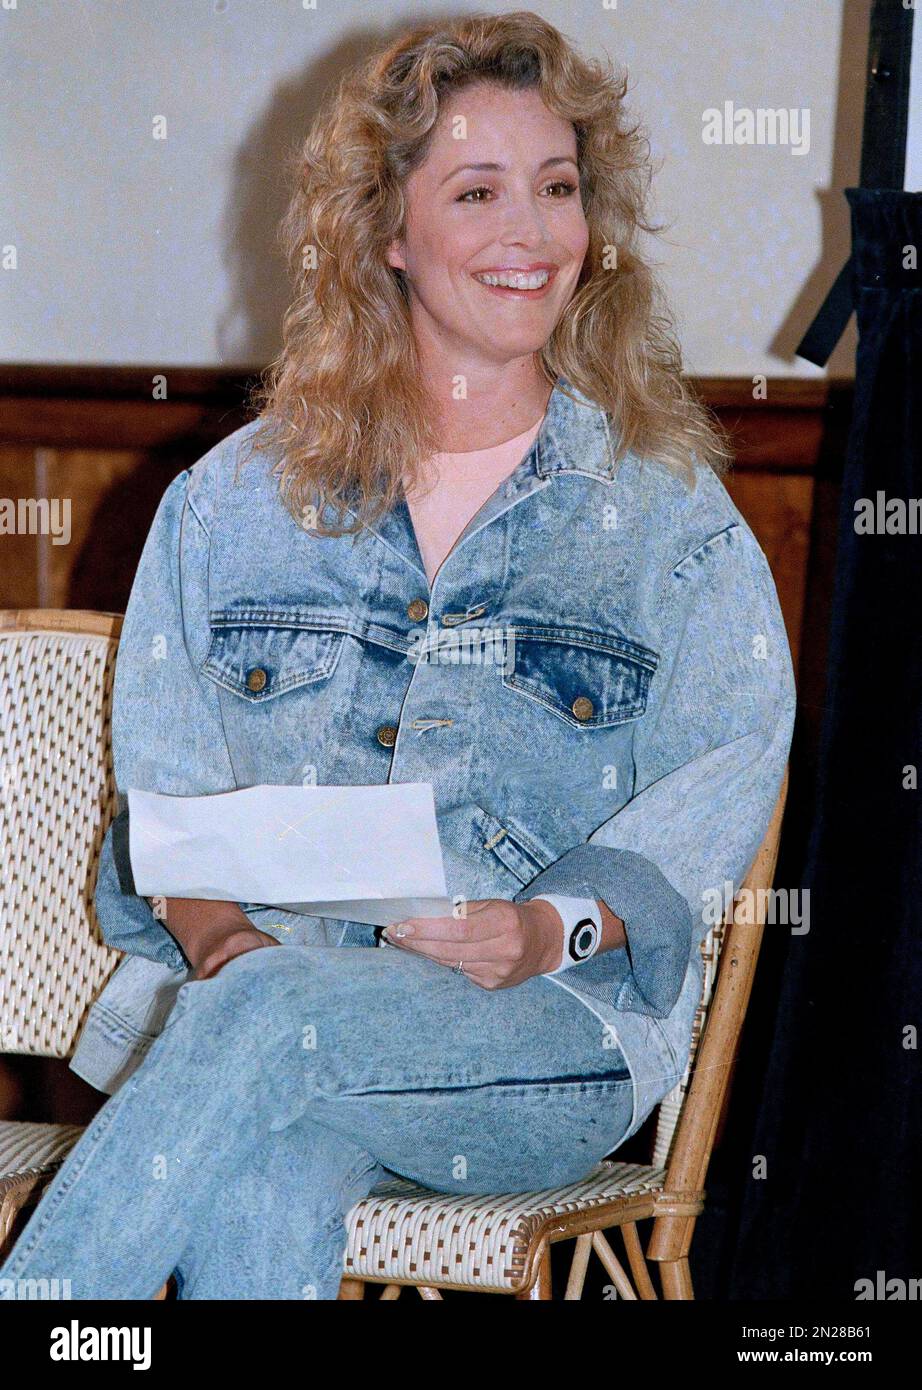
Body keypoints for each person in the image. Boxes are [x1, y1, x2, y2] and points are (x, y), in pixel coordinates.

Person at [0, 11, 795, 1300]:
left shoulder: (667, 520)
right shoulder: (229, 506)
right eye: (477, 192)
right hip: (265, 1012)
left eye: (558, 189)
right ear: (387, 233)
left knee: (269, 1028)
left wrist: (549, 925)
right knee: (270, 1155)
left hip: (543, 1047)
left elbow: (717, 798)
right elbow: (171, 811)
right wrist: (224, 949)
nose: (530, 235)